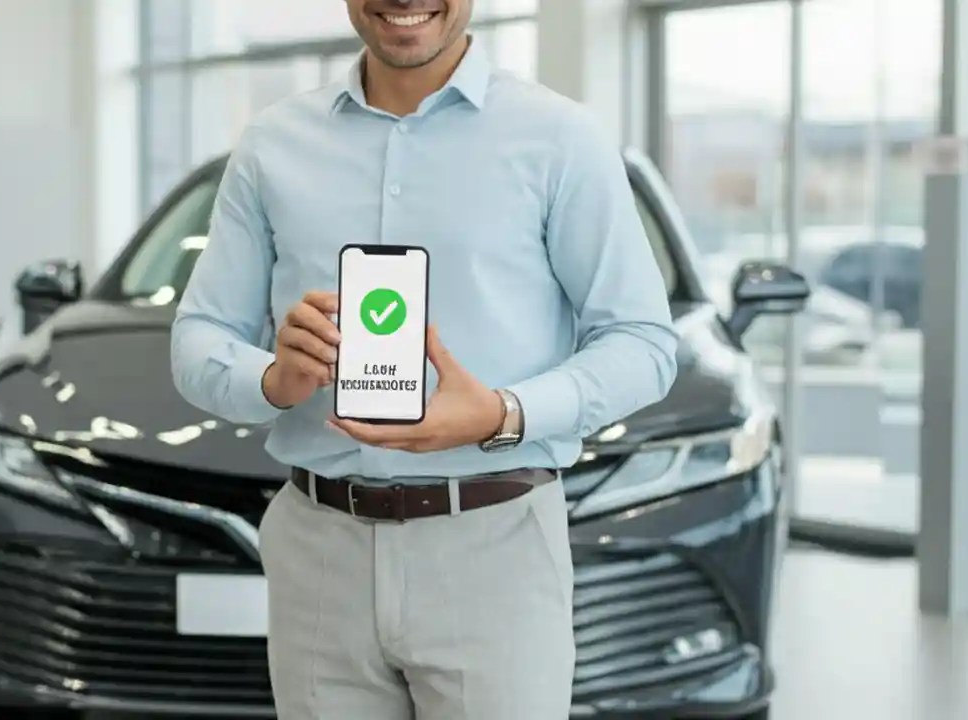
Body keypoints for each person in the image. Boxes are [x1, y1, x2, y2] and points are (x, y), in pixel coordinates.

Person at [170, 0, 678, 716]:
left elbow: (643, 344)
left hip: (495, 544)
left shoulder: (559, 138)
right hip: (319, 549)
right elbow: (198, 339)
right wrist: (274, 379)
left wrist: (501, 415)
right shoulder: (272, 145)